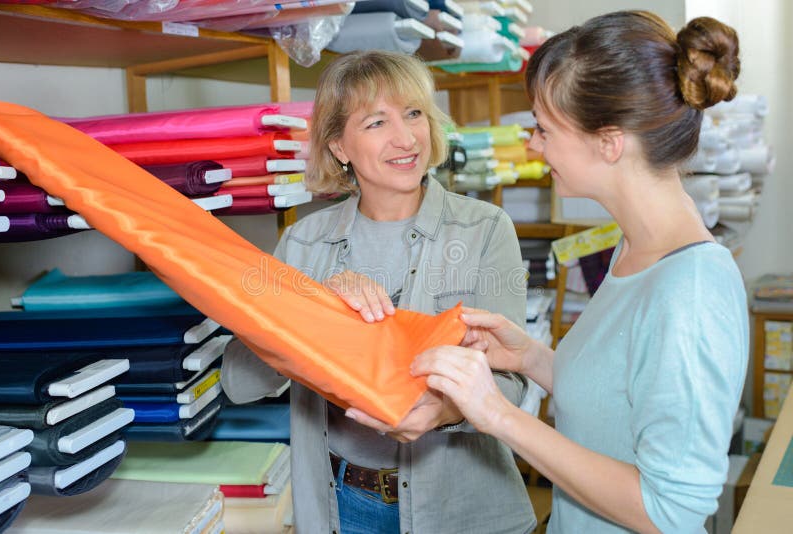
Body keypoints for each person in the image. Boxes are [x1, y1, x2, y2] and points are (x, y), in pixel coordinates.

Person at [379, 10, 747, 534]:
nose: (533, 145)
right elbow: (622, 395)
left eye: (544, 129)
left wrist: (500, 416)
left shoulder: (690, 291)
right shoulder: (637, 249)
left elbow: (669, 511)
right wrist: (529, 358)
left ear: (609, 142)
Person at [221, 50, 537, 534]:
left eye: (413, 113)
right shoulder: (303, 243)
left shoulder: (485, 229)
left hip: (463, 509)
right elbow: (239, 383)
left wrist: (442, 413)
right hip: (343, 507)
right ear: (339, 147)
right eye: (376, 122)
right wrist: (312, 310)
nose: (405, 137)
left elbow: (511, 384)